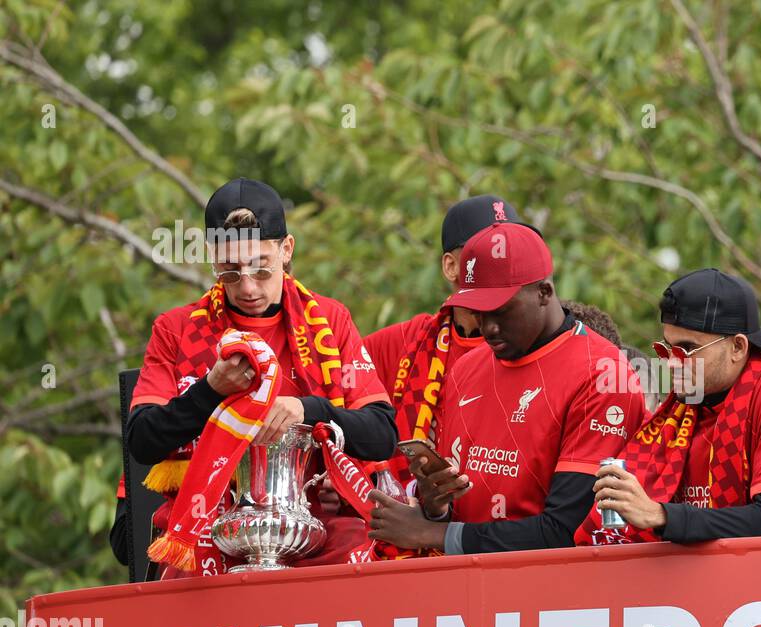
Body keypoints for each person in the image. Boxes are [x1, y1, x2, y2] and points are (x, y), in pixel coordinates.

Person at [127, 177, 396, 576]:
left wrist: (311, 409)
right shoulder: (177, 329)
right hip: (208, 526)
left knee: (362, 554)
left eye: (261, 269)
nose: (248, 287)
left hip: (313, 526)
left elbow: (382, 434)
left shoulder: (330, 320)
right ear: (211, 258)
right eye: (230, 273)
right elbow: (142, 441)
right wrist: (210, 391)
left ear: (286, 250)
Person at [366, 222, 645, 554]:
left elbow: (567, 531)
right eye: (479, 313)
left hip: (555, 595)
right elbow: (462, 511)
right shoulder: (466, 368)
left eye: (502, 312)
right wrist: (434, 505)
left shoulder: (604, 374)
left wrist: (432, 534)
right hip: (466, 589)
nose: (488, 327)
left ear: (544, 292)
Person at [572, 268, 761, 545]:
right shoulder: (682, 404)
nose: (671, 363)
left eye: (686, 350)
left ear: (738, 347)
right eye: (666, 349)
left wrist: (663, 516)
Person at [362, 196, 524, 501]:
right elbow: (338, 400)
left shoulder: (535, 345)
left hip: (507, 527)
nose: (504, 261)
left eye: (510, 250)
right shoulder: (406, 341)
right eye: (489, 251)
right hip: (410, 521)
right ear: (451, 266)